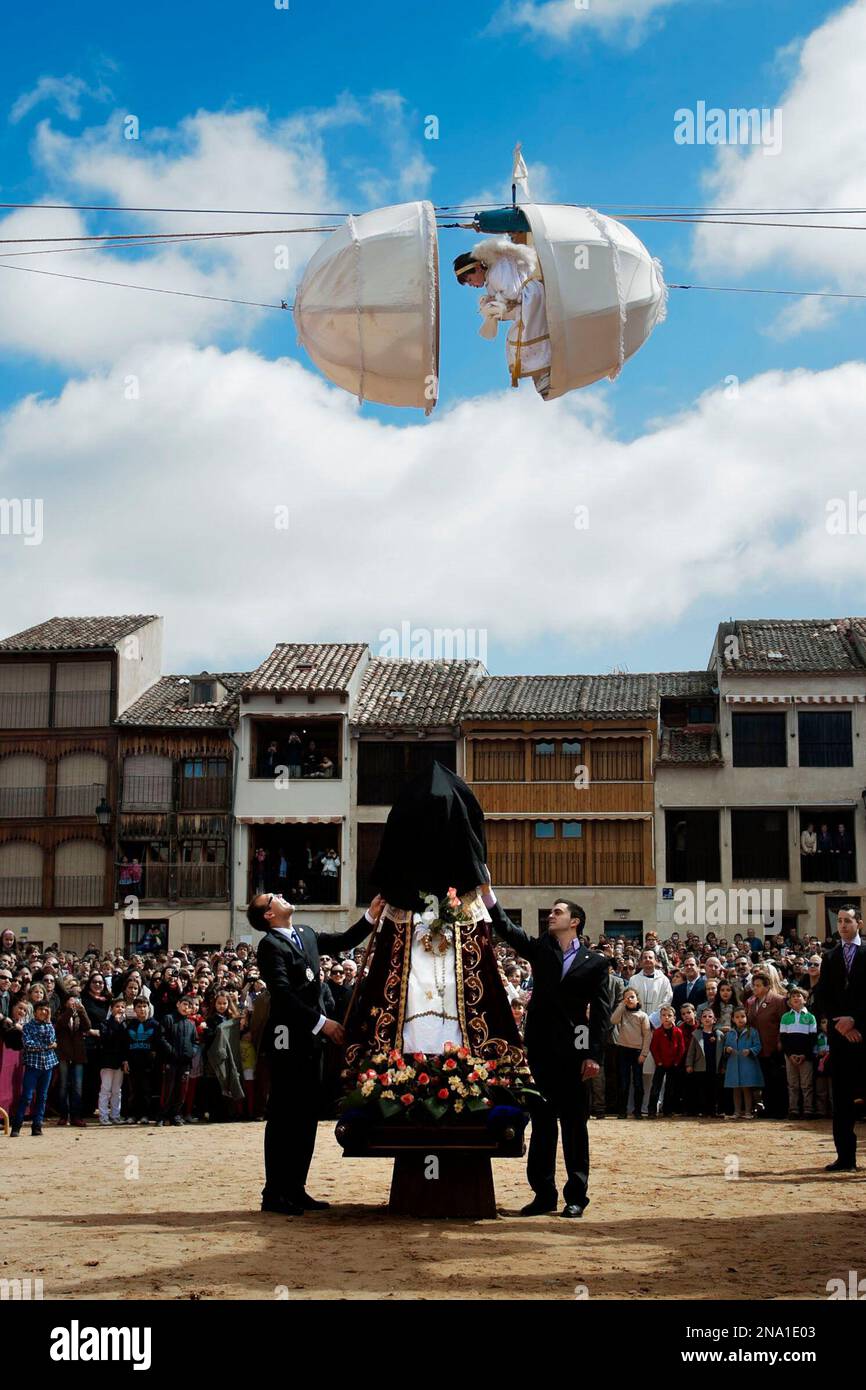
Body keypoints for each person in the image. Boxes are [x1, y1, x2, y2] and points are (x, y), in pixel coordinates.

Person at [247, 890, 386, 1216]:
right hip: (288, 1039)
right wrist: (322, 1023)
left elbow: (341, 940)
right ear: (269, 915)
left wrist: (371, 915)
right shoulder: (270, 946)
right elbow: (281, 995)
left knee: (307, 1115)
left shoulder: (306, 934)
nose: (280, 896)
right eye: (273, 898)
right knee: (283, 1116)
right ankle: (275, 1192)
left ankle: (296, 1187)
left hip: (311, 1043)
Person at [487, 891, 610, 1217]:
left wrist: (592, 1055)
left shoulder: (596, 962)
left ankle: (575, 1196)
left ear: (575, 921)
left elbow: (599, 1013)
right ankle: (543, 1195)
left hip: (574, 1054)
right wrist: (487, 894)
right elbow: (506, 927)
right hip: (539, 1052)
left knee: (573, 1125)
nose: (550, 916)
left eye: (557, 912)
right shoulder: (541, 949)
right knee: (542, 1125)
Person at [454, 238, 551, 398]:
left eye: (470, 279)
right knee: (519, 338)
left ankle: (544, 373)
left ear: (477, 268)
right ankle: (541, 374)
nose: (471, 284)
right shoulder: (491, 276)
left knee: (523, 336)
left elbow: (512, 293)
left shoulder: (494, 272)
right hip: (527, 302)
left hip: (531, 300)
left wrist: (495, 304)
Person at [813, 906, 866, 1171]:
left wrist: (855, 1020)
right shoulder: (831, 956)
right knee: (842, 1100)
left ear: (859, 922)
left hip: (865, 1035)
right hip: (841, 1038)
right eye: (840, 921)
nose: (843, 925)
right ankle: (845, 1158)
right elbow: (822, 994)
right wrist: (841, 1024)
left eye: (848, 921)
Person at [10, 1001, 58, 1137]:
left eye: (46, 1010)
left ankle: (37, 1126)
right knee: (27, 1096)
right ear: (35, 1011)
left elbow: (52, 1041)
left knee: (42, 1097)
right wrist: (47, 1046)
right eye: (41, 1009)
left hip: (47, 1065)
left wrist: (46, 1044)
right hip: (33, 1065)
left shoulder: (49, 1026)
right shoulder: (28, 1026)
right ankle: (17, 1126)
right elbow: (28, 1044)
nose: (43, 1012)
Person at [610, 987, 650, 1118]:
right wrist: (622, 1005)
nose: (629, 999)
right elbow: (613, 1020)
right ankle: (622, 1111)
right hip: (622, 1050)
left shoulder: (643, 1016)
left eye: (632, 997)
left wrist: (644, 1054)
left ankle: (637, 1111)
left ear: (637, 999)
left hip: (637, 1051)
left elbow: (647, 1035)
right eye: (627, 997)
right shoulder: (622, 1013)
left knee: (638, 1082)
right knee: (623, 1082)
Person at [779, 985, 817, 1119]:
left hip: (805, 1056)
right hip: (790, 1057)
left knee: (807, 1085)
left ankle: (808, 1110)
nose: (795, 998)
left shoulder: (810, 1017)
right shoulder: (785, 1017)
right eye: (793, 996)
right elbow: (783, 1038)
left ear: (805, 1000)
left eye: (798, 996)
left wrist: (804, 1055)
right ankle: (793, 1109)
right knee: (792, 1084)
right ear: (789, 1001)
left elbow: (812, 1038)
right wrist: (790, 1055)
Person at [160, 996, 198, 1126]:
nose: (186, 1007)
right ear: (178, 1004)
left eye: (189, 1006)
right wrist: (171, 1051)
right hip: (171, 1061)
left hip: (185, 1062)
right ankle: (164, 1115)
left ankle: (176, 1114)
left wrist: (192, 1052)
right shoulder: (169, 1019)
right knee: (168, 1089)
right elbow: (162, 1037)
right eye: (184, 1004)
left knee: (182, 1090)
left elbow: (195, 1042)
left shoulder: (191, 1024)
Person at [723, 1007, 763, 1118]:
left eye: (743, 1016)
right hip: (734, 1064)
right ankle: (736, 1112)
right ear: (733, 1019)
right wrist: (727, 1049)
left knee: (747, 1088)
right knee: (735, 1089)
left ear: (746, 1017)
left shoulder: (752, 1031)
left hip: (748, 1064)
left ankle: (748, 1112)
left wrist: (750, 1051)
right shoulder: (730, 1033)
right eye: (737, 1017)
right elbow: (725, 1047)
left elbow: (758, 1046)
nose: (740, 1019)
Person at [648, 1005, 685, 1116]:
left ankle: (667, 1110)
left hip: (673, 1064)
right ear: (660, 1018)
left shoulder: (678, 1032)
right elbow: (654, 1048)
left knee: (670, 1088)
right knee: (656, 1087)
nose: (666, 1017)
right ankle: (651, 1110)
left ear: (674, 1018)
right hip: (661, 1064)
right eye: (664, 1015)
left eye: (669, 1015)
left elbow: (681, 1048)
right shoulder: (658, 1032)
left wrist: (677, 1062)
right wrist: (658, 1061)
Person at [685, 1006, 721, 1116]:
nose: (707, 1018)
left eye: (710, 1016)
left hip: (714, 1066)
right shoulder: (696, 1034)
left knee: (713, 1089)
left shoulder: (719, 1035)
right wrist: (689, 1064)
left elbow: (722, 1053)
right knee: (701, 1089)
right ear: (700, 1019)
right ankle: (703, 1110)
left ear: (714, 1020)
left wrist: (723, 1065)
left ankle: (713, 1110)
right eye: (704, 1016)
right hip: (700, 1066)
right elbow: (691, 1051)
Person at [98, 998, 129, 1125]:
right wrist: (116, 1024)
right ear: (111, 1009)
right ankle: (103, 1116)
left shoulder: (125, 1025)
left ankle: (115, 1115)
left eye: (122, 1007)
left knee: (117, 1090)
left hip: (120, 1062)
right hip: (107, 1061)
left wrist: (125, 1060)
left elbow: (126, 1044)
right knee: (106, 1089)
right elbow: (106, 1039)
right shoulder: (104, 1023)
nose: (120, 1009)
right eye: (117, 1006)